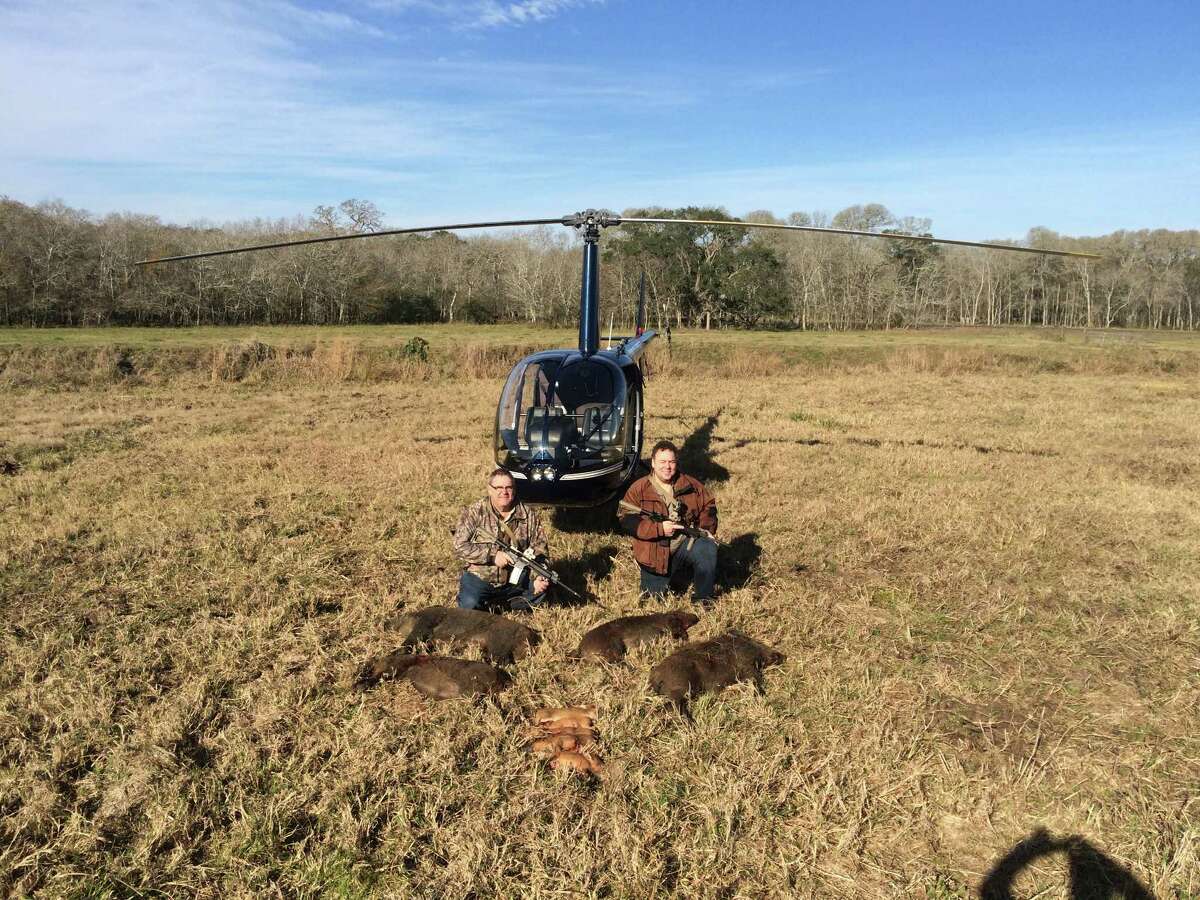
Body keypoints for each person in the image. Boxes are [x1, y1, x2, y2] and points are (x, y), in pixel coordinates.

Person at [618, 440, 718, 606]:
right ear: (653, 463)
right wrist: (659, 529)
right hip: (654, 553)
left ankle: (703, 599)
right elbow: (626, 519)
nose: (667, 467)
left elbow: (709, 504)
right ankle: (673, 576)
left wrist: (705, 529)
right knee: (653, 602)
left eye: (671, 462)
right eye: (662, 462)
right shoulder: (639, 488)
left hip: (685, 544)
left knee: (707, 547)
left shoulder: (690, 484)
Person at [453, 468, 551, 612]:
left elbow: (541, 550)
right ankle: (500, 603)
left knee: (541, 591)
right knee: (469, 604)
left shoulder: (528, 514)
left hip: (516, 577)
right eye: (498, 487)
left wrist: (538, 577)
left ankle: (501, 606)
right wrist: (492, 556)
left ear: (514, 489)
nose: (504, 492)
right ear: (489, 489)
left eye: (508, 487)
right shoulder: (474, 512)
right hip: (481, 577)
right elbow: (459, 546)